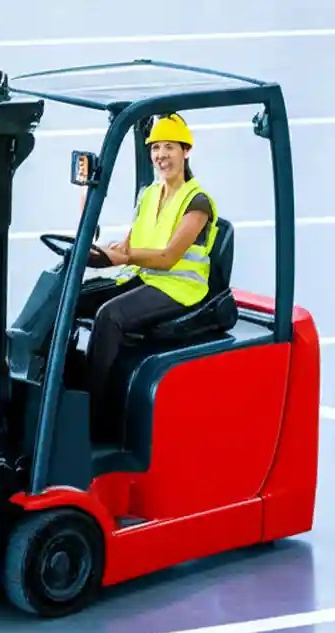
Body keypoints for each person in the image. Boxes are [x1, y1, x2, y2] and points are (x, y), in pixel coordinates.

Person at [77, 113, 219, 435]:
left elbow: (168, 258)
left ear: (186, 151)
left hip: (179, 288)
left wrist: (123, 256)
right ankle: (61, 392)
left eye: (169, 147)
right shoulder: (149, 195)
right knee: (72, 298)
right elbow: (129, 245)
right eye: (155, 148)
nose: (160, 155)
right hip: (144, 277)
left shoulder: (197, 202)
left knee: (109, 317)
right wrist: (96, 253)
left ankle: (96, 417)